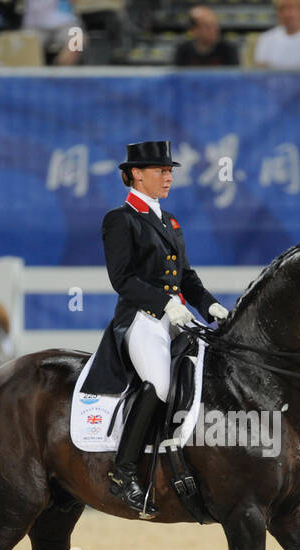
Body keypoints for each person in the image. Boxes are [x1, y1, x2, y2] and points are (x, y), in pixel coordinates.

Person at [80, 141, 228, 517]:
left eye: (170, 170)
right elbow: (123, 279)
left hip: (177, 317)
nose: (169, 176)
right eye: (161, 171)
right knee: (160, 384)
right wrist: (165, 305)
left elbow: (187, 276)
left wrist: (209, 304)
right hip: (142, 320)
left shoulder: (169, 220)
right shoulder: (120, 219)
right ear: (136, 174)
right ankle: (124, 472)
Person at [253, 0, 300, 67]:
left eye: (292, 8)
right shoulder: (265, 39)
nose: (287, 14)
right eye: (282, 9)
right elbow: (261, 70)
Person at [174, 5, 240, 66]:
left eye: (215, 25)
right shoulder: (183, 51)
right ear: (194, 30)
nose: (214, 30)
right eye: (207, 26)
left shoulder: (228, 50)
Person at [22, 0, 82, 64]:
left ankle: (59, 71)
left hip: (65, 22)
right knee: (24, 48)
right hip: (35, 25)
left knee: (77, 40)